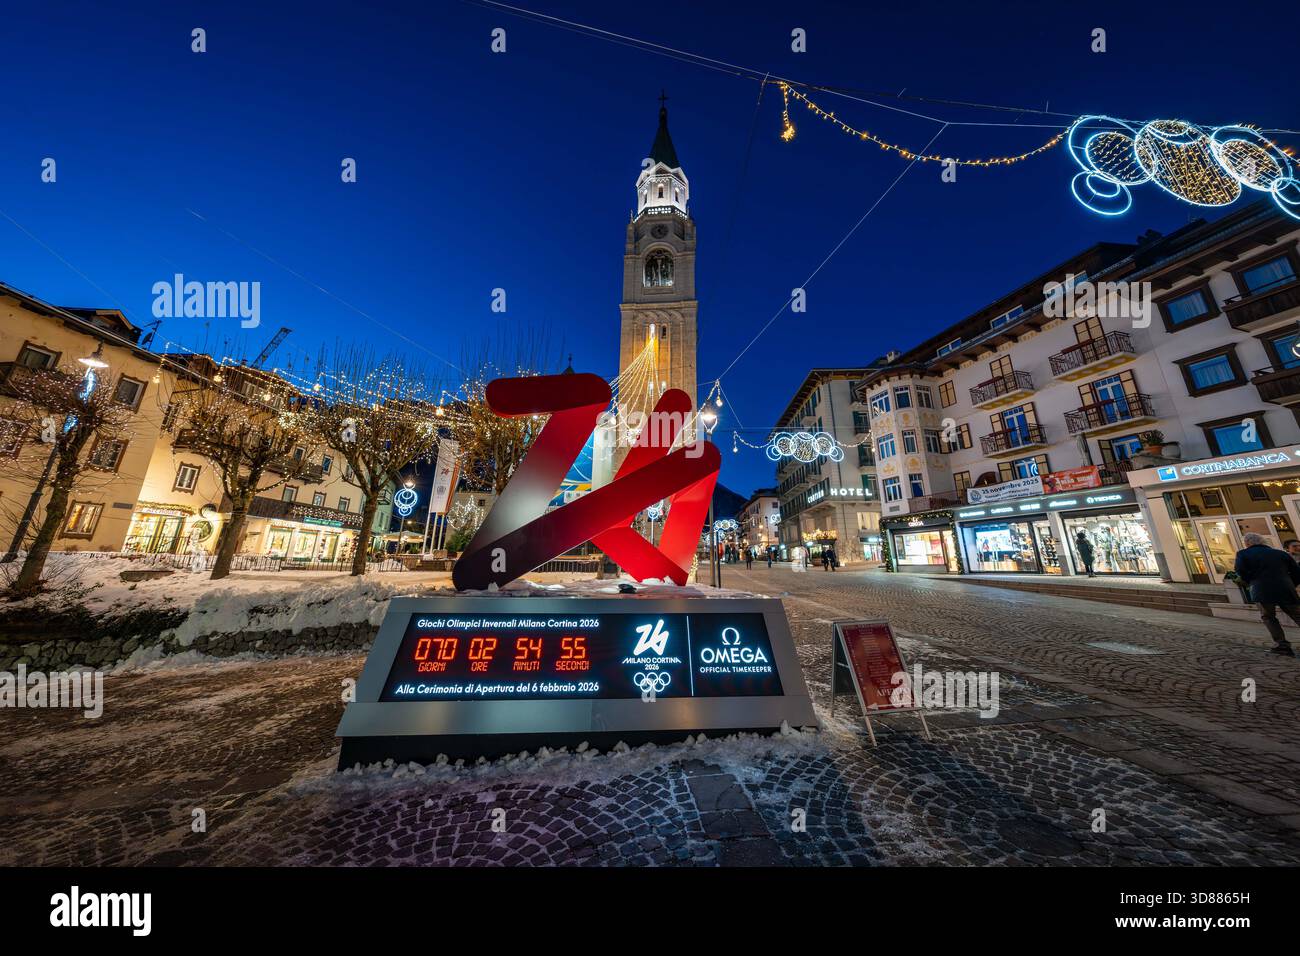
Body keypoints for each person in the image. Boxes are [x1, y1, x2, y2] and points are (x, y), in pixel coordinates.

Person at [1233, 531, 1299, 657]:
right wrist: (1291, 584)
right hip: (1285, 589)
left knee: (1269, 617)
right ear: (1263, 542)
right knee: (1297, 615)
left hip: (1261, 590)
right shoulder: (1280, 553)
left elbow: (1240, 571)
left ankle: (1282, 645)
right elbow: (1297, 572)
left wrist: (1252, 582)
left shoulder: (1243, 554)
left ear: (1247, 543)